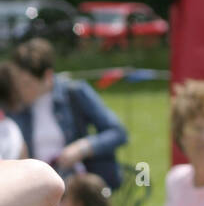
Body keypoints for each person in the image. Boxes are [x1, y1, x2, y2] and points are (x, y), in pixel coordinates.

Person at [10, 38, 127, 190]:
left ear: (47, 76)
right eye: (16, 83)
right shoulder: (13, 105)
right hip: (35, 189)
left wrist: (82, 148)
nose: (19, 90)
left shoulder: (74, 92)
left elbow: (118, 132)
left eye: (27, 84)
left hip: (76, 190)